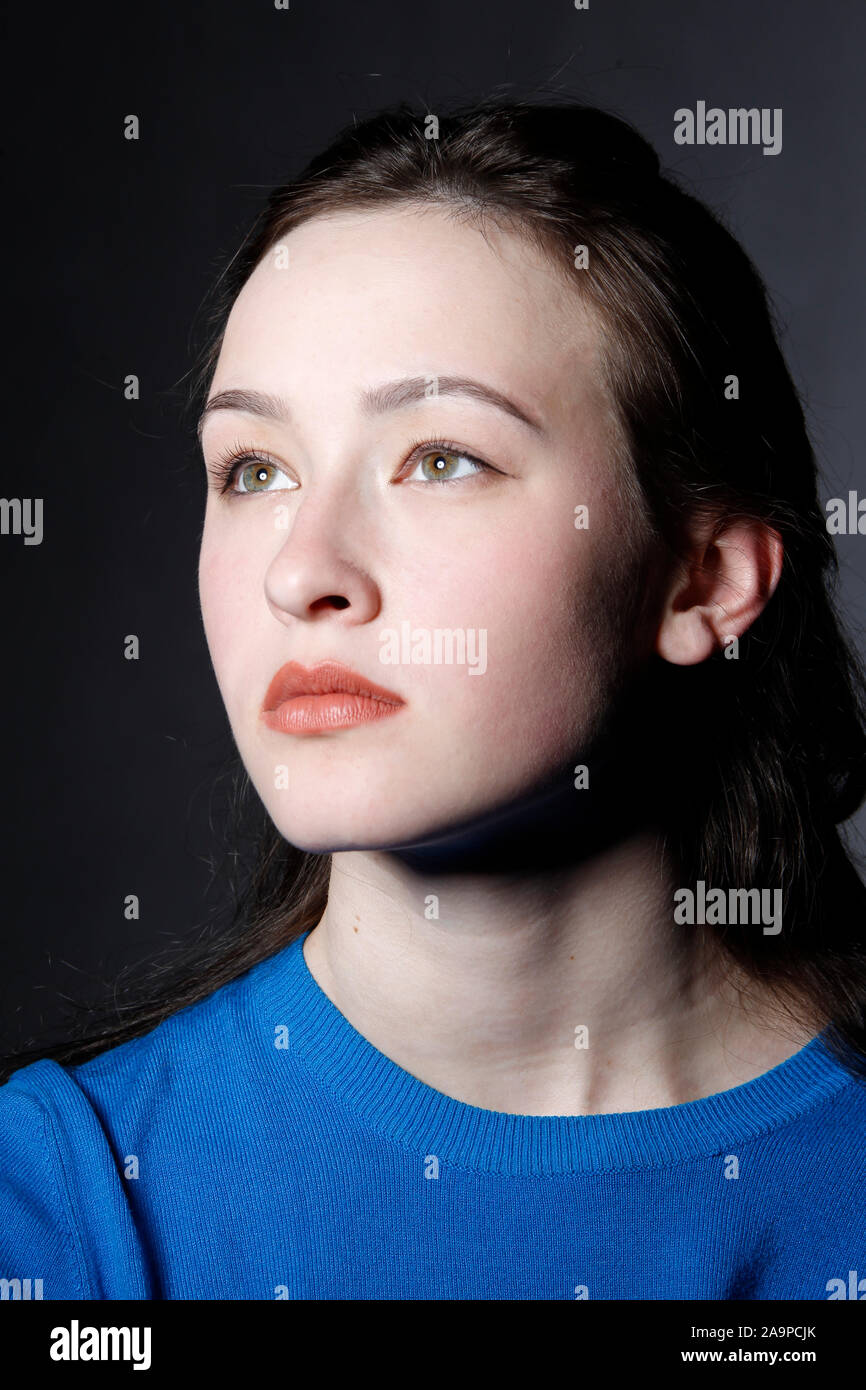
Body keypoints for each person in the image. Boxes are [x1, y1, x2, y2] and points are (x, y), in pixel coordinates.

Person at [1, 98, 865, 1301]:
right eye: (254, 469)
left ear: (702, 577)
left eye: (440, 458)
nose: (299, 570)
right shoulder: (64, 1203)